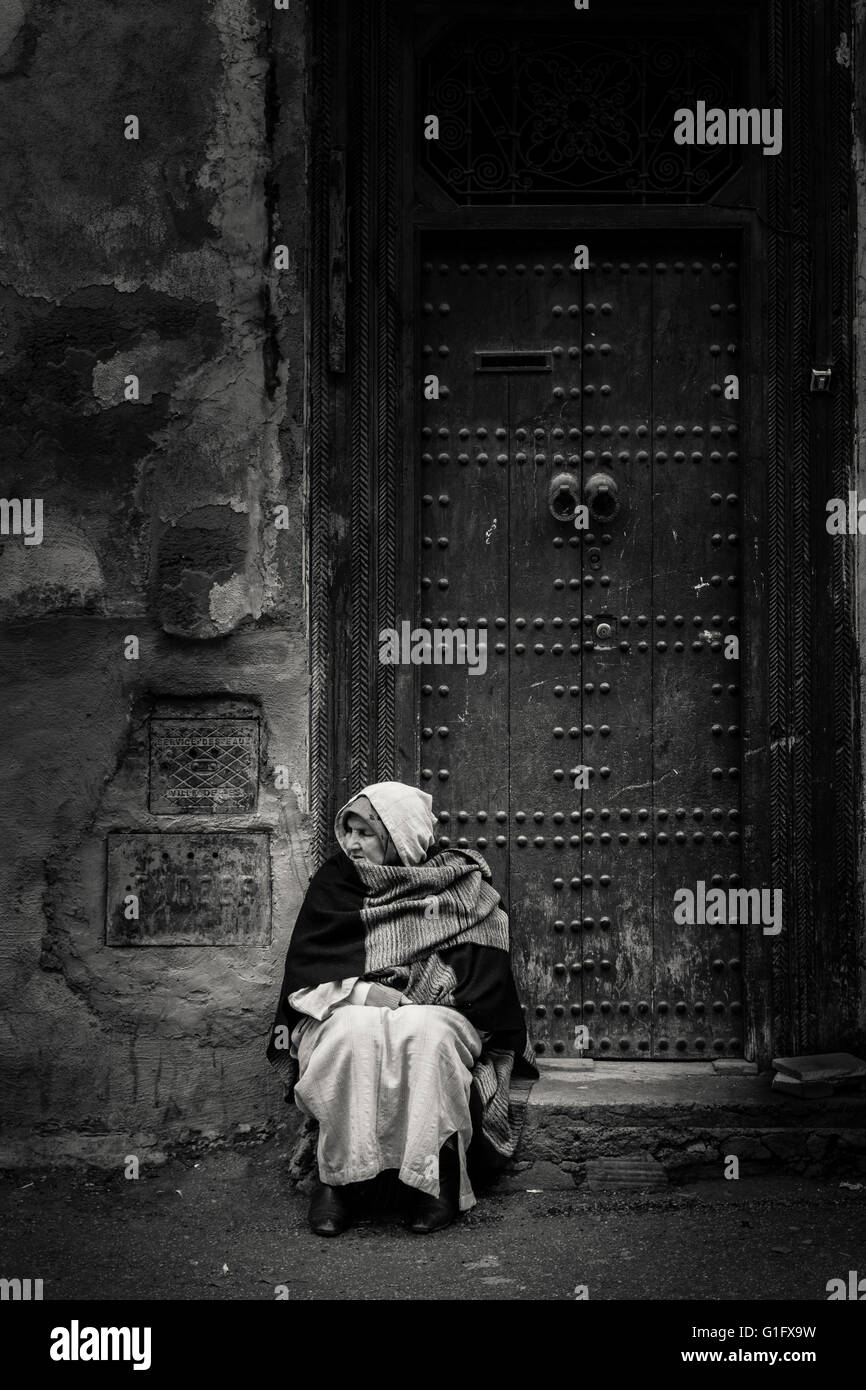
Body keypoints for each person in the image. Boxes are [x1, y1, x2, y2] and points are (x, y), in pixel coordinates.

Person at [267, 780, 537, 1236]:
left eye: (366, 832)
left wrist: (421, 996)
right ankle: (337, 1182)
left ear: (401, 834)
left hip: (444, 1010)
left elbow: (485, 976)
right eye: (347, 830)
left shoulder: (463, 887)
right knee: (353, 1033)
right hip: (345, 1005)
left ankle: (435, 1181)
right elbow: (305, 977)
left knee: (424, 1034)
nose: (352, 843)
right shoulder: (335, 883)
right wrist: (363, 993)